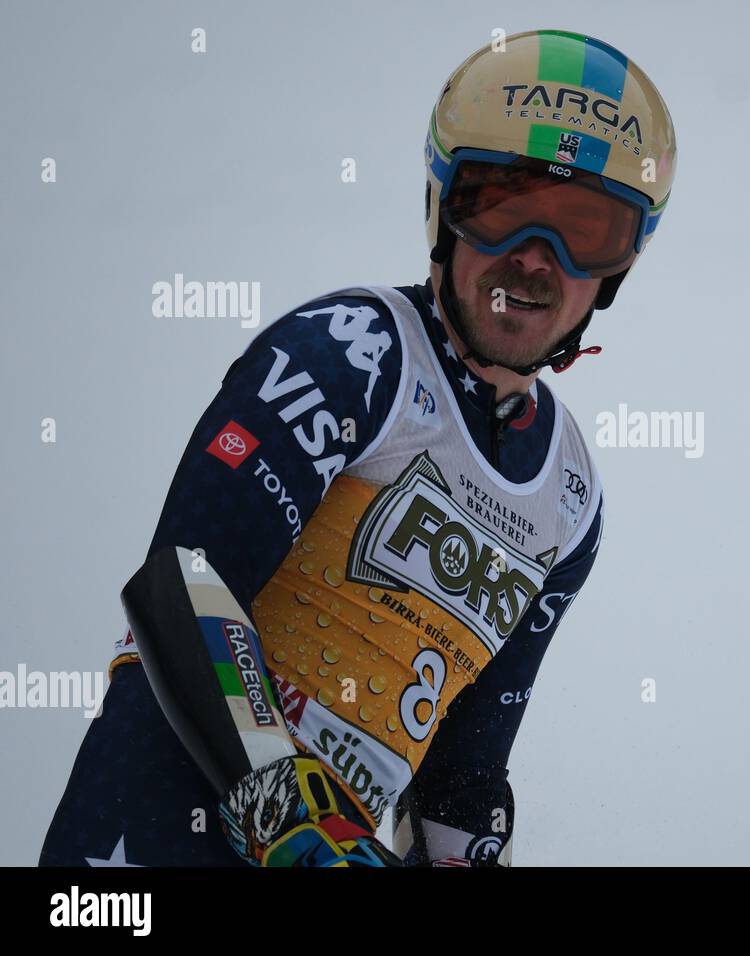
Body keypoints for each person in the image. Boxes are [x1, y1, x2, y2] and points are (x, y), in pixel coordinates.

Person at [39, 28, 677, 867]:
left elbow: (463, 777)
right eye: (500, 206)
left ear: (618, 271)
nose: (535, 260)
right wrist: (278, 795)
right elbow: (185, 583)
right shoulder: (351, 353)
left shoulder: (570, 499)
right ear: (441, 208)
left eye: (583, 232)